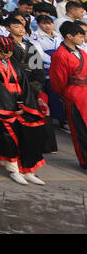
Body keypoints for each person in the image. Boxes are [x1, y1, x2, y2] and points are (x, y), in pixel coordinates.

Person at [0, 35, 47, 186]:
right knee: (9, 138)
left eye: (9, 53)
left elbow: (24, 83)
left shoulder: (12, 61)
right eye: (3, 53)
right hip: (2, 105)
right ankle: (14, 170)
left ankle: (29, 170)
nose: (6, 56)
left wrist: (23, 104)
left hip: (20, 102)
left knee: (27, 137)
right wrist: (11, 106)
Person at [49, 21, 87, 168]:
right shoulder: (60, 55)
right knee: (80, 130)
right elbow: (58, 81)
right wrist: (66, 95)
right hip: (75, 95)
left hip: (85, 93)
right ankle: (85, 161)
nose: (83, 38)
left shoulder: (81, 52)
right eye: (80, 35)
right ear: (69, 36)